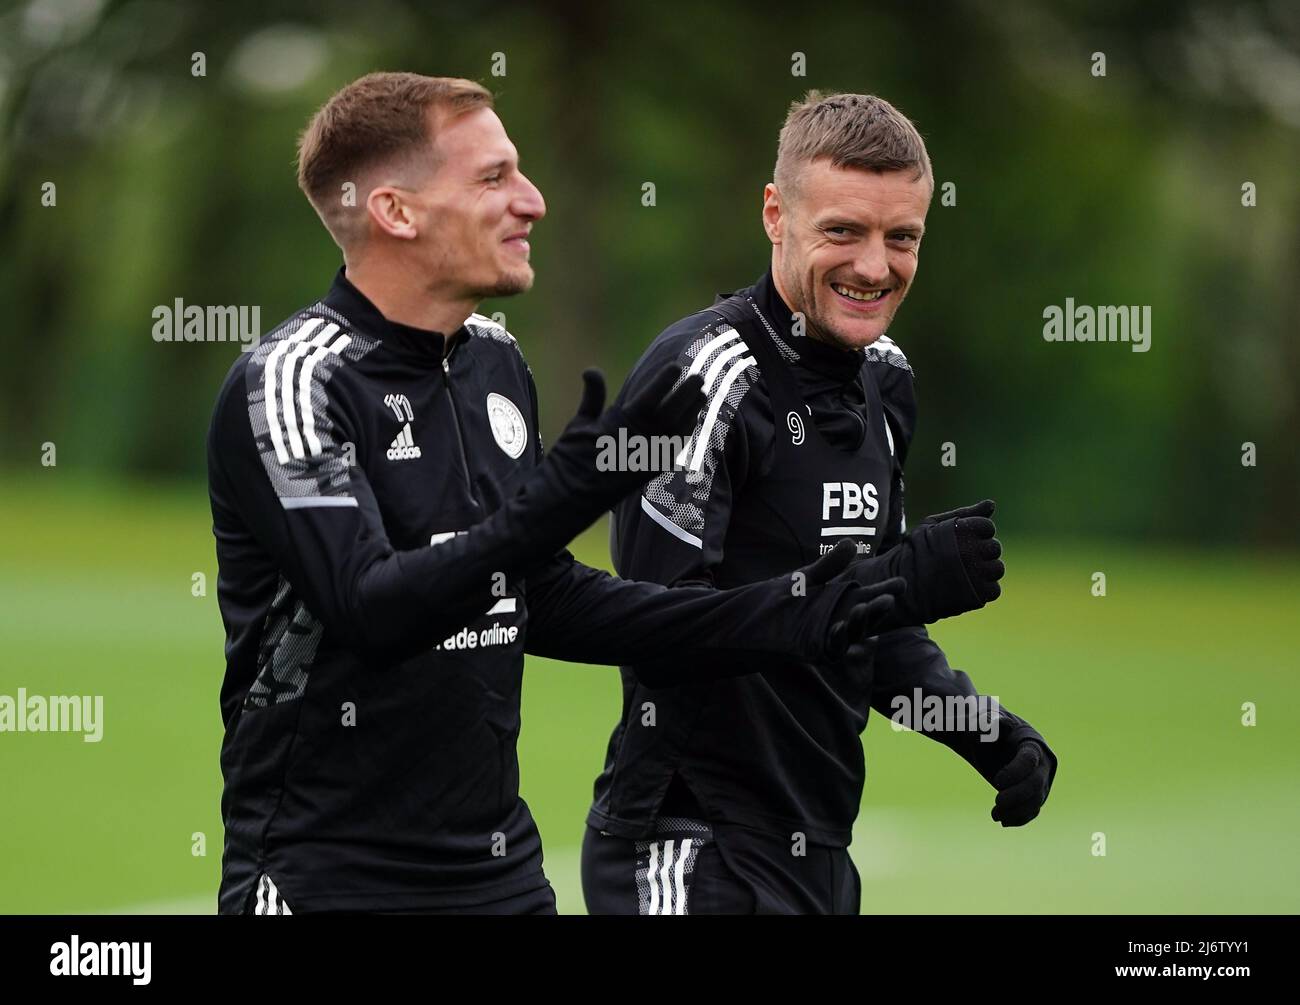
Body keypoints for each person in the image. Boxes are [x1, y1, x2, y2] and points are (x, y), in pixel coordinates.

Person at [206, 73, 940, 915]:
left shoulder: (492, 361)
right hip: (324, 880)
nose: (532, 200)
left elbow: (547, 598)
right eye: (492, 178)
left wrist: (822, 607)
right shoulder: (292, 381)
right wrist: (563, 498)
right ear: (396, 212)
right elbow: (367, 604)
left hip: (500, 874)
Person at [583, 91, 1058, 915]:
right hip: (689, 846)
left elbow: (871, 621)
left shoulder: (887, 379)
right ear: (776, 214)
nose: (874, 267)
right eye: (842, 231)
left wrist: (979, 728)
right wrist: (882, 588)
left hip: (818, 849)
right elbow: (659, 629)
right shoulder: (709, 375)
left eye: (901, 237)